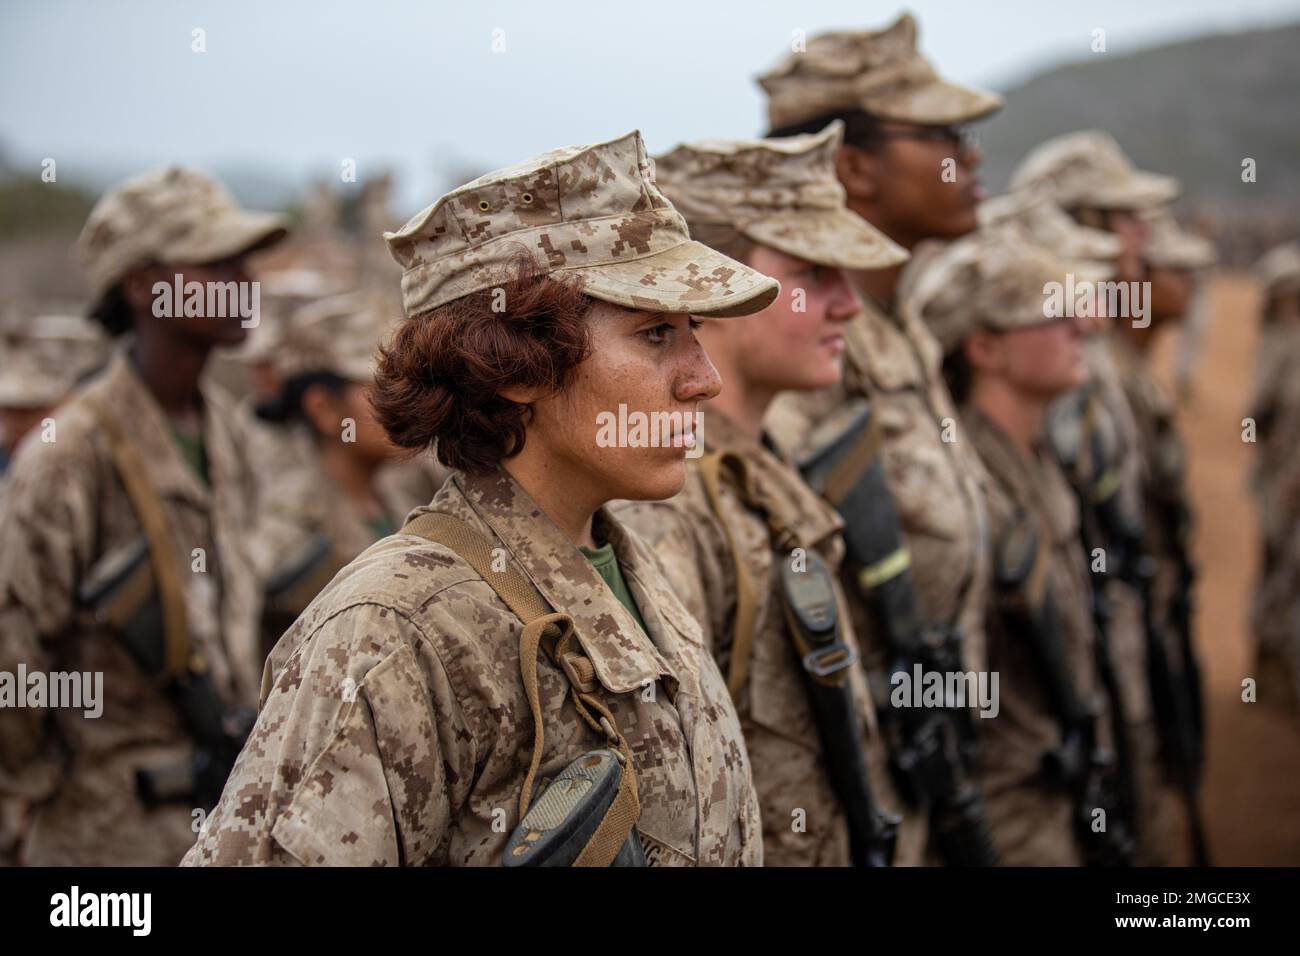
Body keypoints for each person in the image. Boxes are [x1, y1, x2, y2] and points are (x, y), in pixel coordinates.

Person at [183, 130, 774, 867]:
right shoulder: (395, 632)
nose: (703, 378)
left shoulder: (638, 569)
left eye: (697, 331)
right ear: (518, 366)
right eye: (656, 334)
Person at [614, 122, 911, 866]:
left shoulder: (757, 466)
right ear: (713, 288)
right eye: (815, 273)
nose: (848, 304)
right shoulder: (665, 499)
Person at [753, 13, 1004, 864]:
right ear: (853, 164)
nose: (968, 160)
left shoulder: (899, 335)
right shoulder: (802, 364)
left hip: (929, 770)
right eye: (943, 136)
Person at [0, 167, 286, 865]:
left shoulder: (233, 436)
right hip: (104, 843)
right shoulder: (72, 454)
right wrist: (48, 786)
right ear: (140, 286)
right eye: (216, 262)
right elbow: (13, 654)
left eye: (243, 259)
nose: (243, 276)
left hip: (221, 824)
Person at [1010, 132, 1203, 865]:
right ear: (1083, 221)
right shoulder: (1066, 362)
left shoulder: (1097, 353)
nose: (1143, 237)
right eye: (1126, 218)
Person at [913, 226, 1127, 865]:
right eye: (1055, 314)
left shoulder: (1038, 461)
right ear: (985, 347)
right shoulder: (964, 492)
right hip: (1009, 820)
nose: (1083, 327)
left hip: (1057, 795)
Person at [1248, 242, 1300, 714]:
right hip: (1282, 480)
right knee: (1278, 564)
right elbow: (1258, 413)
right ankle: (1267, 661)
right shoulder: (1278, 345)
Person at [0, 312, 109, 488]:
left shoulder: (93, 468)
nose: (12, 425)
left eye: (28, 412)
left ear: (64, 406)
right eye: (6, 410)